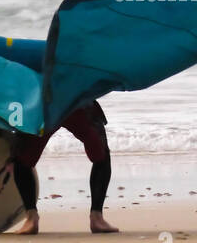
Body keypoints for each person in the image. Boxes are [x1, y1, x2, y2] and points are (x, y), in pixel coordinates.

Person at [9, 100, 117, 235]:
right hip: (73, 101)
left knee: (22, 159)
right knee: (101, 155)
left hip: (46, 105)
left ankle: (31, 218)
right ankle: (97, 218)